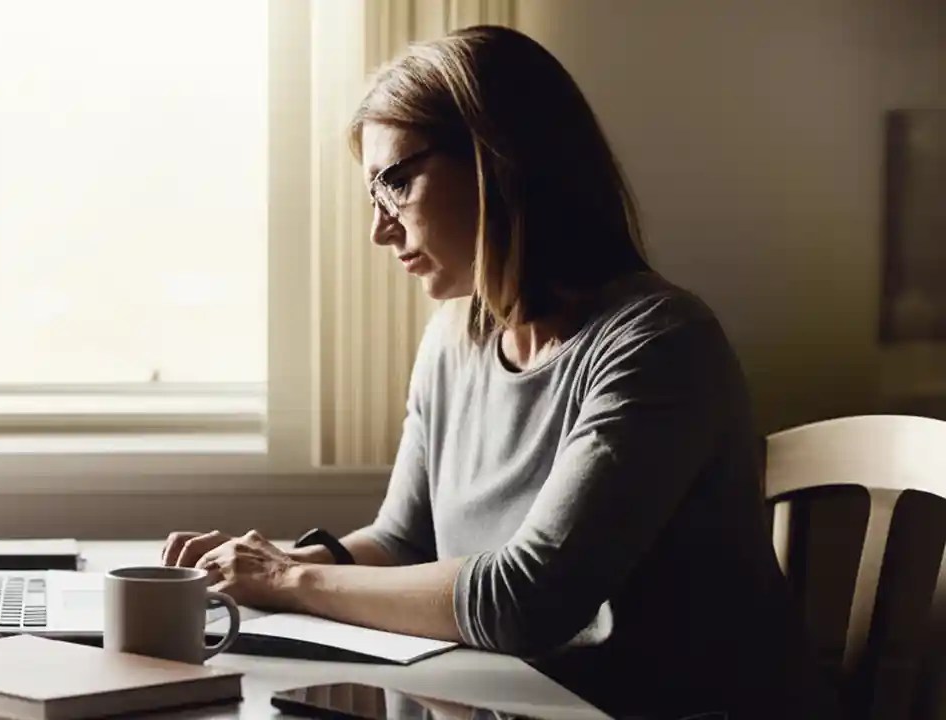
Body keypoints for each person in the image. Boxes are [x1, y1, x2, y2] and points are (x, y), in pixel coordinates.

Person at [161, 25, 833, 719]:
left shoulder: (660, 346)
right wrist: (270, 564)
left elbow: (527, 603)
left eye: (395, 181)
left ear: (499, 157)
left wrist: (291, 578)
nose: (380, 231)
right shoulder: (454, 337)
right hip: (516, 703)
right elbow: (403, 541)